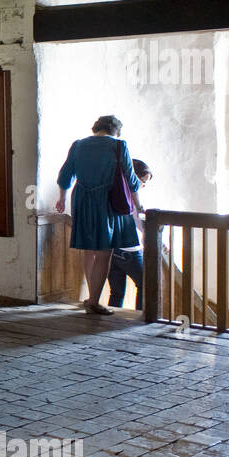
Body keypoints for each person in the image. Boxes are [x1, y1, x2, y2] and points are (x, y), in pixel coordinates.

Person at [55, 114, 145, 314]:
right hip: (106, 200)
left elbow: (65, 176)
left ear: (96, 128)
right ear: (116, 130)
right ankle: (94, 302)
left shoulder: (78, 145)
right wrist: (139, 207)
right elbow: (131, 181)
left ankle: (91, 297)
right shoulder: (119, 145)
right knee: (104, 253)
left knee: (89, 250)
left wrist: (62, 198)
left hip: (81, 199)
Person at [109, 159, 153, 309]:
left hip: (112, 249)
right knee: (145, 284)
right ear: (133, 177)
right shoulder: (132, 198)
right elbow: (139, 223)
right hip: (130, 250)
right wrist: (153, 238)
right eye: (142, 181)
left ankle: (110, 321)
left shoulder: (113, 192)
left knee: (116, 292)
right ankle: (140, 317)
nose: (144, 185)